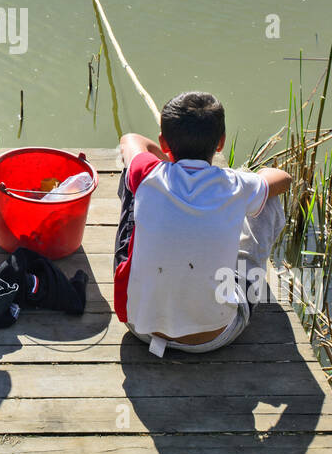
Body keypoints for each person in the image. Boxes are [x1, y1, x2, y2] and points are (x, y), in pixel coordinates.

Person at [113, 91, 291, 356]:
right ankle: (248, 272)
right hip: (215, 337)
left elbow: (130, 140)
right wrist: (247, 176)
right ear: (220, 143)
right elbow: (284, 178)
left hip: (140, 328)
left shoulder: (149, 173)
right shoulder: (236, 184)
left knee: (133, 181)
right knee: (269, 199)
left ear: (164, 142)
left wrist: (167, 163)